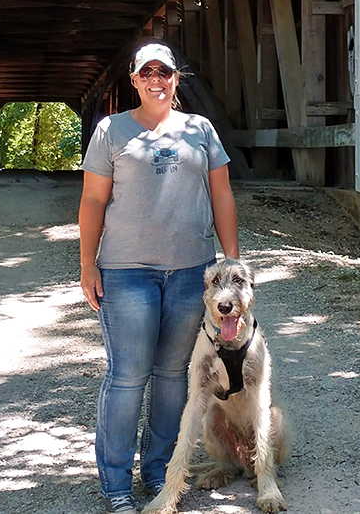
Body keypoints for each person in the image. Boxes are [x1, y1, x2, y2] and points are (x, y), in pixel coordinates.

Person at [79, 42, 240, 514]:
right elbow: (92, 201)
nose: (156, 79)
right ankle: (115, 484)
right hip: (127, 272)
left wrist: (230, 264)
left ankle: (158, 473)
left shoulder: (200, 129)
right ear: (133, 79)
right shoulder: (112, 129)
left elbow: (223, 195)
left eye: (164, 72)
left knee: (174, 375)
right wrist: (88, 265)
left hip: (192, 272)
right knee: (127, 377)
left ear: (176, 78)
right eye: (146, 72)